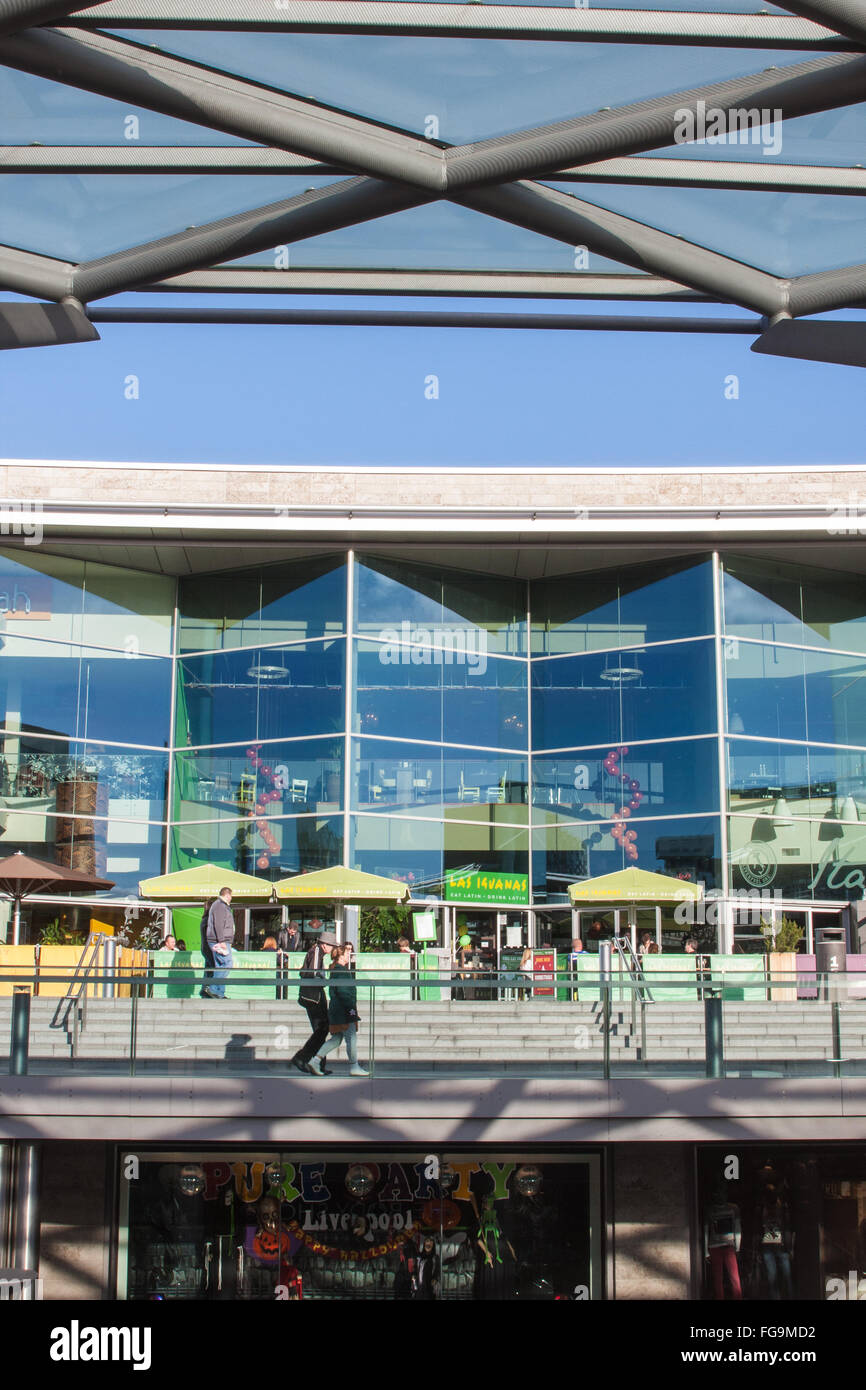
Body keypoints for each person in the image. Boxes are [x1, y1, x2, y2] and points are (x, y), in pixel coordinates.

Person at [309, 943, 369, 1077]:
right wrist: (352, 1011)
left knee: (336, 1038)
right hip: (344, 1012)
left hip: (337, 1011)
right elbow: (344, 993)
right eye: (347, 952)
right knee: (351, 1038)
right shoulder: (342, 971)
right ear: (341, 956)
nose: (349, 955)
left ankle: (315, 1060)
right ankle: (354, 1066)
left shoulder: (335, 970)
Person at [290, 929, 338, 1075]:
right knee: (322, 1029)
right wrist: (324, 980)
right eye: (331, 945)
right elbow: (314, 972)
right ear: (325, 945)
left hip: (313, 995)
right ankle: (304, 1058)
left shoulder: (317, 952)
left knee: (321, 1030)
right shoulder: (317, 952)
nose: (332, 948)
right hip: (314, 996)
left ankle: (316, 1063)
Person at [204, 886, 235, 999]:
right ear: (227, 895)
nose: (231, 898)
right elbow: (218, 924)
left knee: (220, 965)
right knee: (227, 963)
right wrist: (222, 941)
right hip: (219, 941)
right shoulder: (220, 906)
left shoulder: (218, 905)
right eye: (231, 896)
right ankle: (213, 988)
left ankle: (219, 993)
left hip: (218, 940)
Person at [199, 898, 216, 998]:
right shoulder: (208, 920)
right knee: (213, 969)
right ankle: (207, 989)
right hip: (209, 947)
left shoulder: (204, 919)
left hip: (205, 948)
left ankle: (205, 989)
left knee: (209, 968)